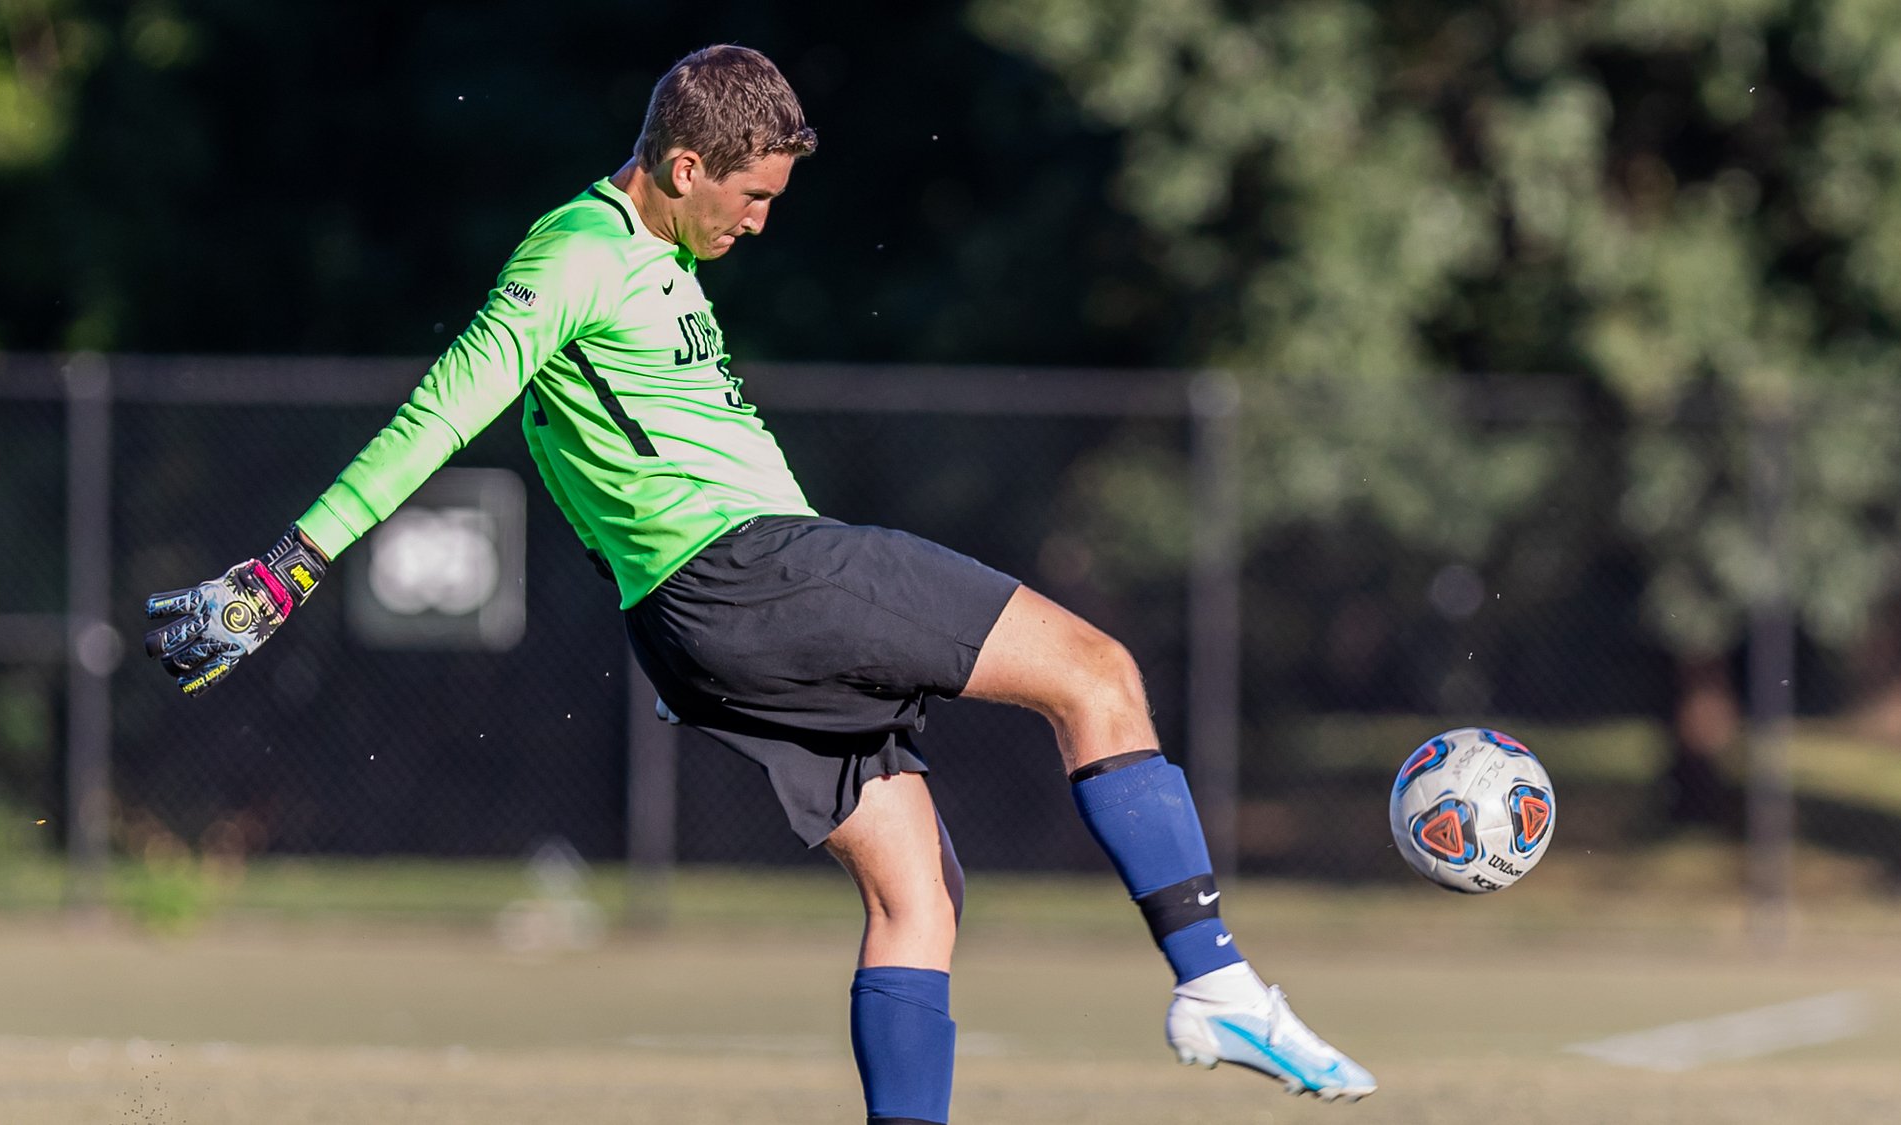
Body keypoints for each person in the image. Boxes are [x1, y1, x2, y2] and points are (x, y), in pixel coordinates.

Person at [142, 44, 1376, 1122]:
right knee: (1095, 676)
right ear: (683, 167)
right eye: (752, 196)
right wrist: (285, 573)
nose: (760, 223)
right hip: (748, 573)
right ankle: (1216, 983)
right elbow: (443, 409)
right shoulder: (575, 255)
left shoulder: (649, 256)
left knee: (917, 895)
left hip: (694, 622)